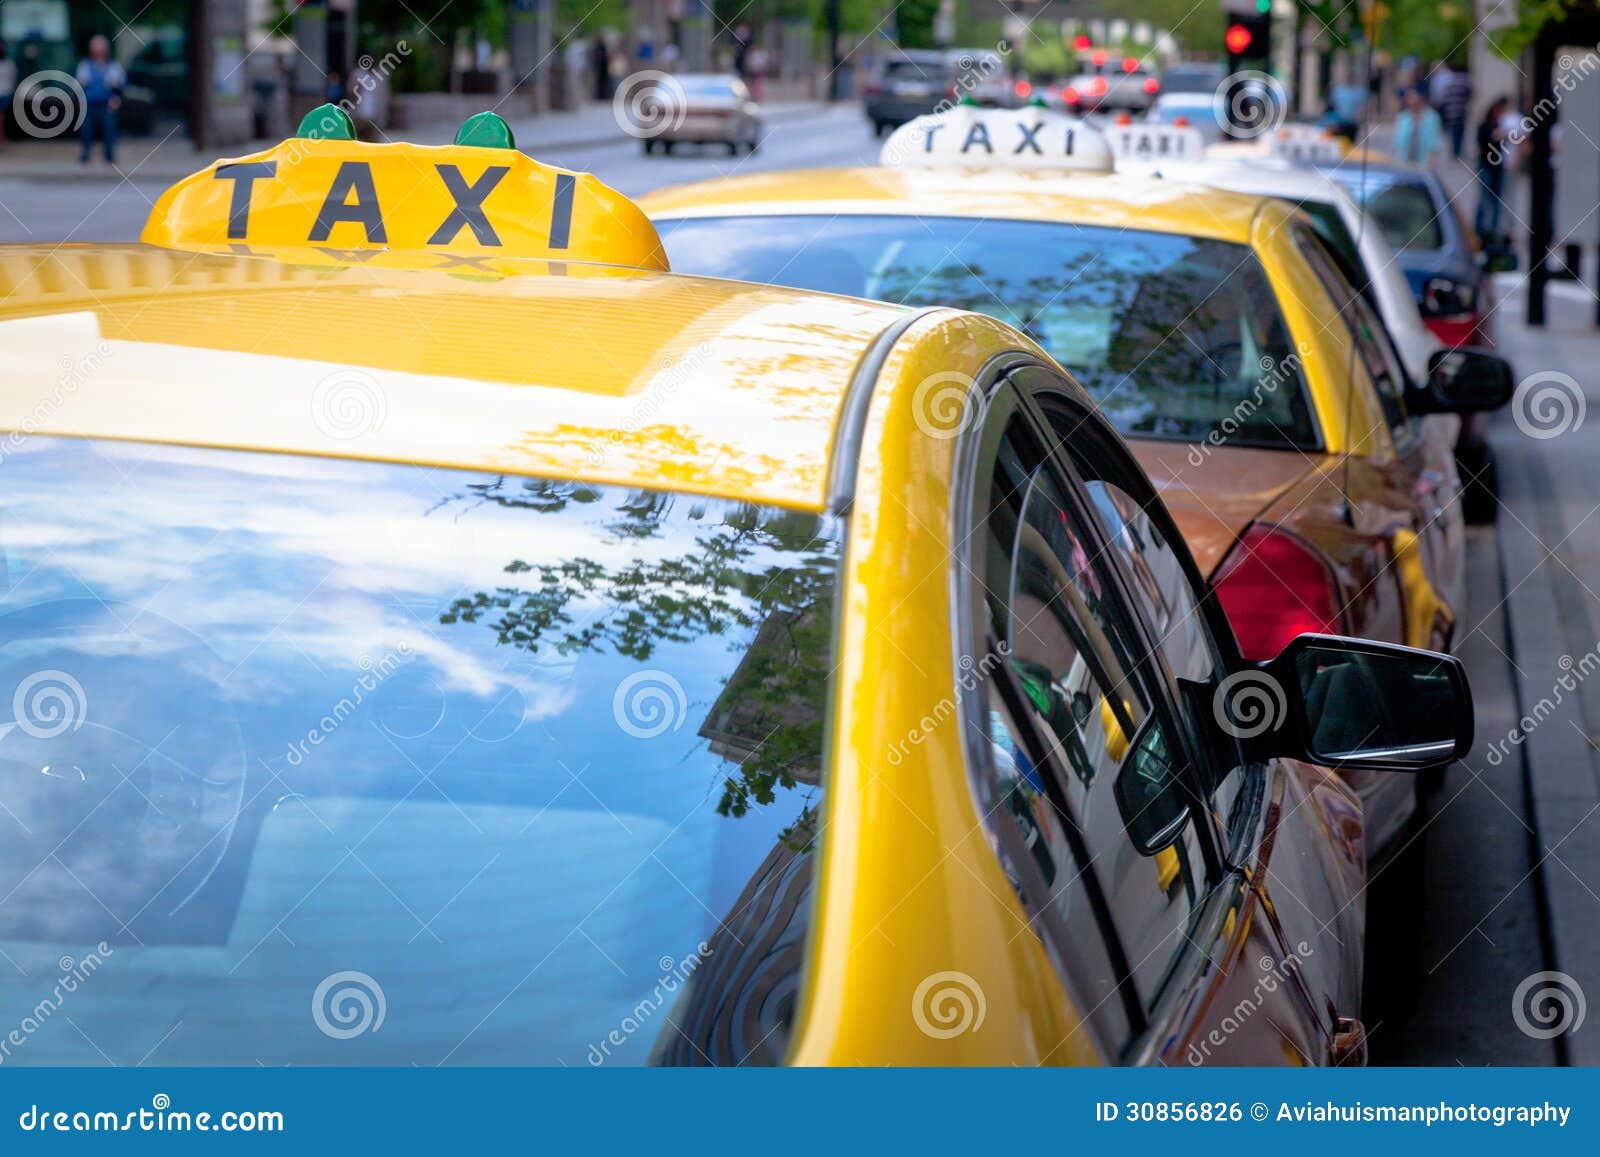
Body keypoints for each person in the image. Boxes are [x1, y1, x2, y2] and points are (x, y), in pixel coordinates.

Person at [75, 34, 125, 166]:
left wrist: (116, 100)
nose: (99, 50)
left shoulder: (114, 66)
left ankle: (109, 158)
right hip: (89, 104)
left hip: (107, 105)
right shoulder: (85, 65)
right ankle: (85, 156)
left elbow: (119, 88)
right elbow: (80, 86)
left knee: (109, 132)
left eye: (101, 47)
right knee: (86, 131)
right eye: (96, 47)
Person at [1474, 96, 1510, 240]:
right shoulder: (1484, 126)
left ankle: (1493, 229)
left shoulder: (1499, 126)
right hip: (1486, 166)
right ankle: (1479, 229)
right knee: (1483, 199)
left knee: (1496, 200)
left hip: (1497, 167)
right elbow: (1483, 143)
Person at [1395, 86, 1442, 167]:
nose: (1413, 102)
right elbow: (1399, 140)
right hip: (1406, 158)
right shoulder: (1404, 117)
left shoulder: (1431, 116)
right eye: (1410, 99)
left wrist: (1433, 159)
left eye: (1415, 99)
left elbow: (1435, 139)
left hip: (1425, 160)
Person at [1438, 61, 1472, 158]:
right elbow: (1470, 95)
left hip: (1451, 112)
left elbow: (1445, 97)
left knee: (1453, 131)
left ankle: (1454, 152)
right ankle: (1458, 150)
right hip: (1461, 111)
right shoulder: (1465, 82)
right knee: (1460, 131)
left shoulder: (1450, 82)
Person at [0, 42, 14, 147]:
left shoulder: (8, 64)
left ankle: (2, 139)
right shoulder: (10, 64)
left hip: (3, 94)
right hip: (6, 94)